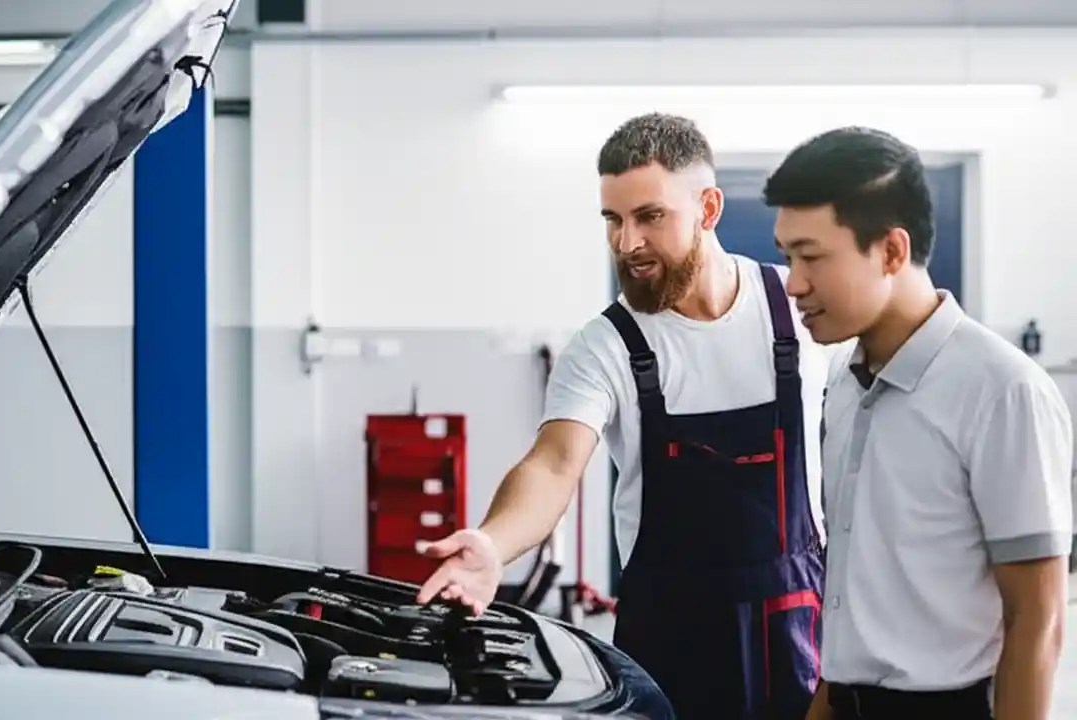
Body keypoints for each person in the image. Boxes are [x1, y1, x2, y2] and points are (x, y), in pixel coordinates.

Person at [414, 112, 845, 719]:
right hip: (670, 654)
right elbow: (552, 465)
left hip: (800, 646)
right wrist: (493, 541)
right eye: (613, 220)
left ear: (709, 208)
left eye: (650, 217)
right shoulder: (606, 345)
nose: (626, 243)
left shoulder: (801, 314)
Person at [763, 126, 1073, 720]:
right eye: (787, 258)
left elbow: (1037, 622)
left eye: (811, 257)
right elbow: (852, 603)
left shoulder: (1002, 390)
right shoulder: (843, 386)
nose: (794, 283)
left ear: (892, 251)